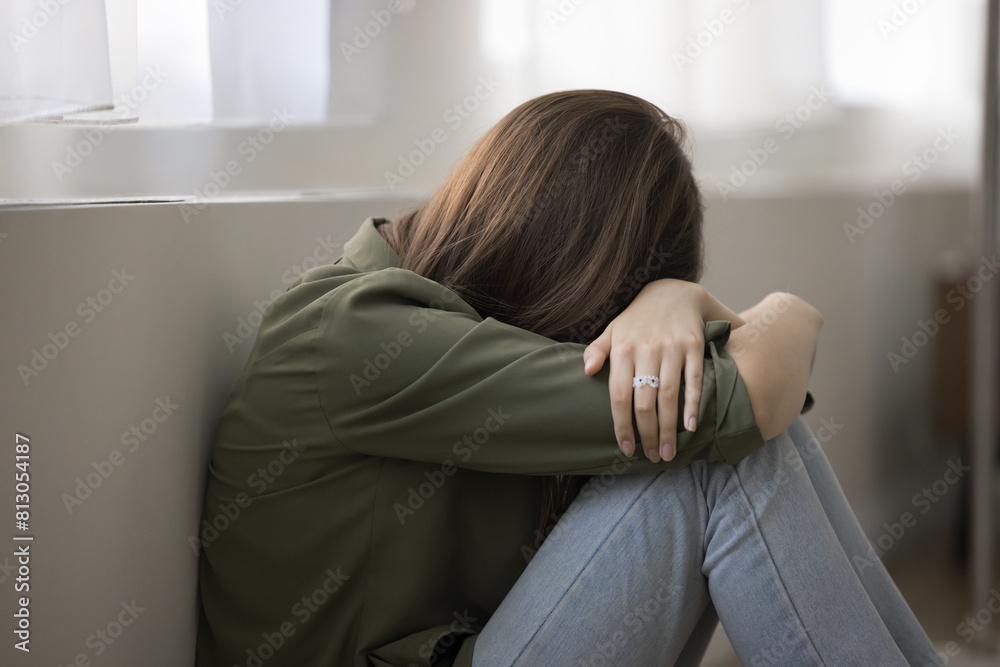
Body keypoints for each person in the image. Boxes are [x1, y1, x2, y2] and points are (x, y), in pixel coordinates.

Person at [195, 90, 936, 666]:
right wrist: (779, 305)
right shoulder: (362, 330)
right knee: (710, 450)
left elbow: (759, 387)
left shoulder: (442, 323)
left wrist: (673, 298)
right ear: (571, 266)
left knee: (713, 433)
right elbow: (750, 396)